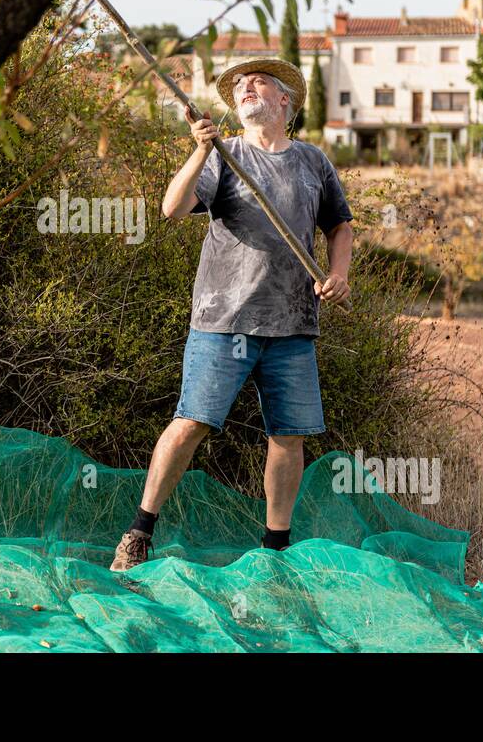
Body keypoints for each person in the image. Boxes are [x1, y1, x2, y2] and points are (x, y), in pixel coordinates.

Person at [110, 59, 354, 571]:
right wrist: (200, 150)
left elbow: (339, 225)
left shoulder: (313, 162)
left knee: (288, 435)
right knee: (191, 421)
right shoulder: (224, 155)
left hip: (292, 323)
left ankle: (275, 550)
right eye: (240, 85)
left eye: (258, 81)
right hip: (223, 319)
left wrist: (339, 274)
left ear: (285, 101)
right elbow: (171, 209)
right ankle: (138, 533)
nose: (246, 87)